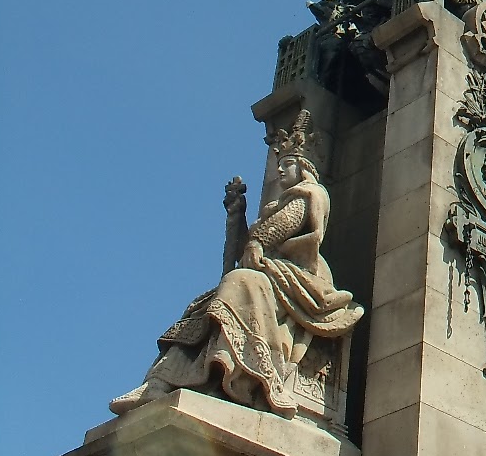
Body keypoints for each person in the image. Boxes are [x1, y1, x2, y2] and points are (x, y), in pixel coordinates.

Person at [111, 142, 362, 419]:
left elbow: (275, 232)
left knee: (240, 283)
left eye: (288, 163)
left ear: (304, 168)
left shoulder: (308, 195)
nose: (279, 168)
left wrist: (256, 241)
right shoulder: (279, 204)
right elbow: (247, 250)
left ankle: (239, 378)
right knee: (204, 303)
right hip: (271, 273)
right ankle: (162, 381)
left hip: (300, 278)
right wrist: (237, 214)